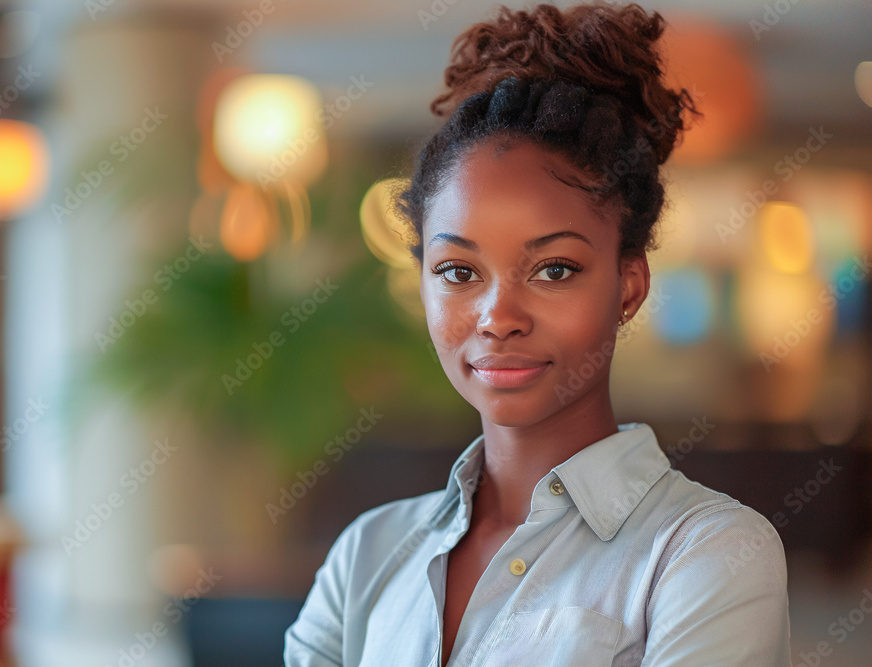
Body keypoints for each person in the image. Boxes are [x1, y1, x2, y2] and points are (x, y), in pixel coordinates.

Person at [284, 2, 791, 665]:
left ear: (629, 286)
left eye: (554, 268)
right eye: (460, 271)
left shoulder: (705, 553)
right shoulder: (367, 554)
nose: (498, 315)